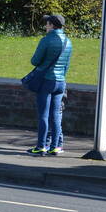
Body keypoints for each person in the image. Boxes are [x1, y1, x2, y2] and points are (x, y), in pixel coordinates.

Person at [28, 14, 73, 156]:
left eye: (47, 24)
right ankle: (55, 147)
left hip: (46, 81)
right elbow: (66, 65)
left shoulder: (46, 40)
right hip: (61, 82)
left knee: (44, 115)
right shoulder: (68, 41)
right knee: (56, 115)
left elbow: (35, 61)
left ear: (52, 25)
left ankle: (41, 146)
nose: (45, 26)